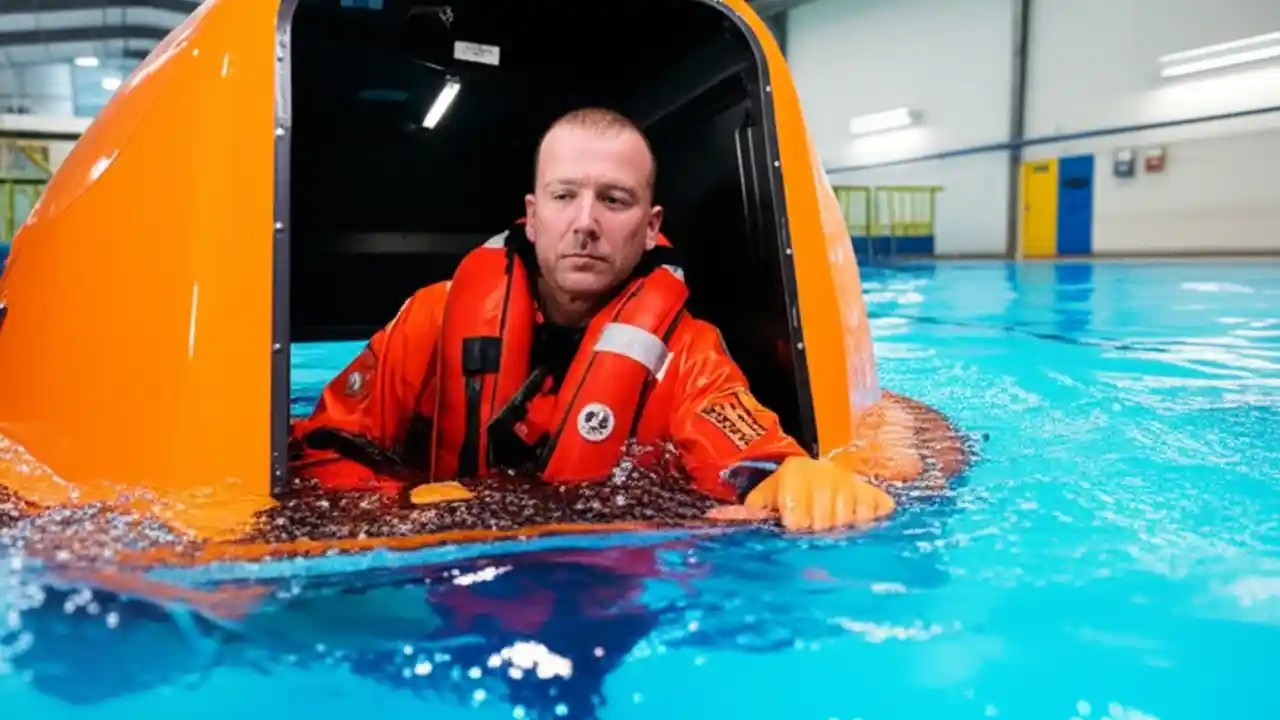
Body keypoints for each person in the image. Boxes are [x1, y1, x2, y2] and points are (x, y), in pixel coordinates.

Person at [288, 107, 896, 532]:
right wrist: (406, 505)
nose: (585, 222)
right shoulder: (432, 317)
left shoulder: (687, 352)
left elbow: (750, 459)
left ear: (651, 226)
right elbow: (320, 452)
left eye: (613, 199)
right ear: (531, 215)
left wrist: (798, 483)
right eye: (563, 196)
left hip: (597, 588)